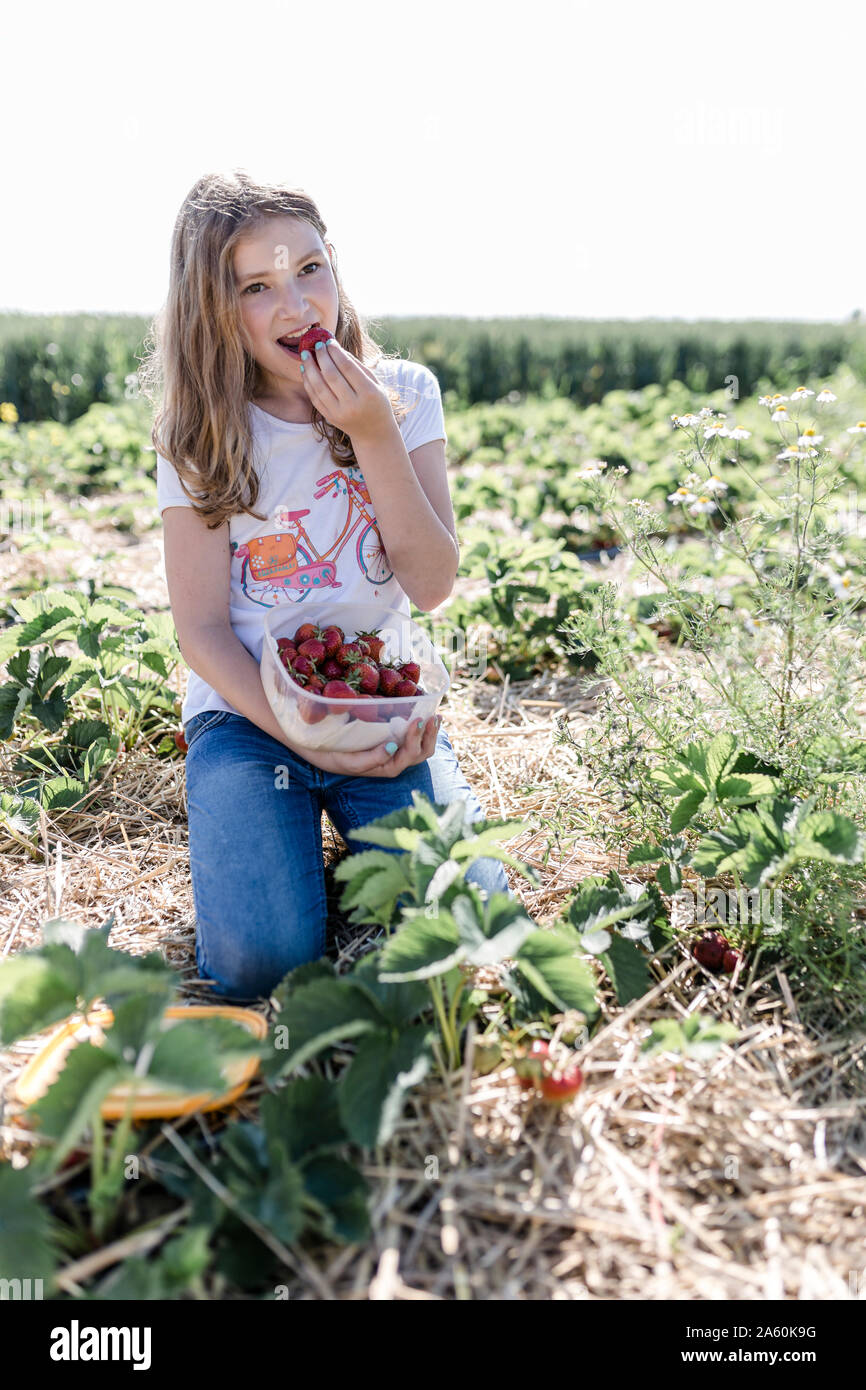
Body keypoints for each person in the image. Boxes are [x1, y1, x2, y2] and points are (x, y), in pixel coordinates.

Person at [140, 169, 515, 1002]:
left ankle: (359, 848)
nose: (298, 305)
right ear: (214, 309)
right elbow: (201, 630)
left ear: (336, 265)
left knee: (470, 924)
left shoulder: (405, 395)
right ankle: (305, 843)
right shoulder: (201, 432)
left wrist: (373, 431)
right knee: (261, 963)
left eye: (311, 269)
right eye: (258, 287)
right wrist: (299, 734)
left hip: (377, 703)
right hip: (246, 714)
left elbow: (431, 585)